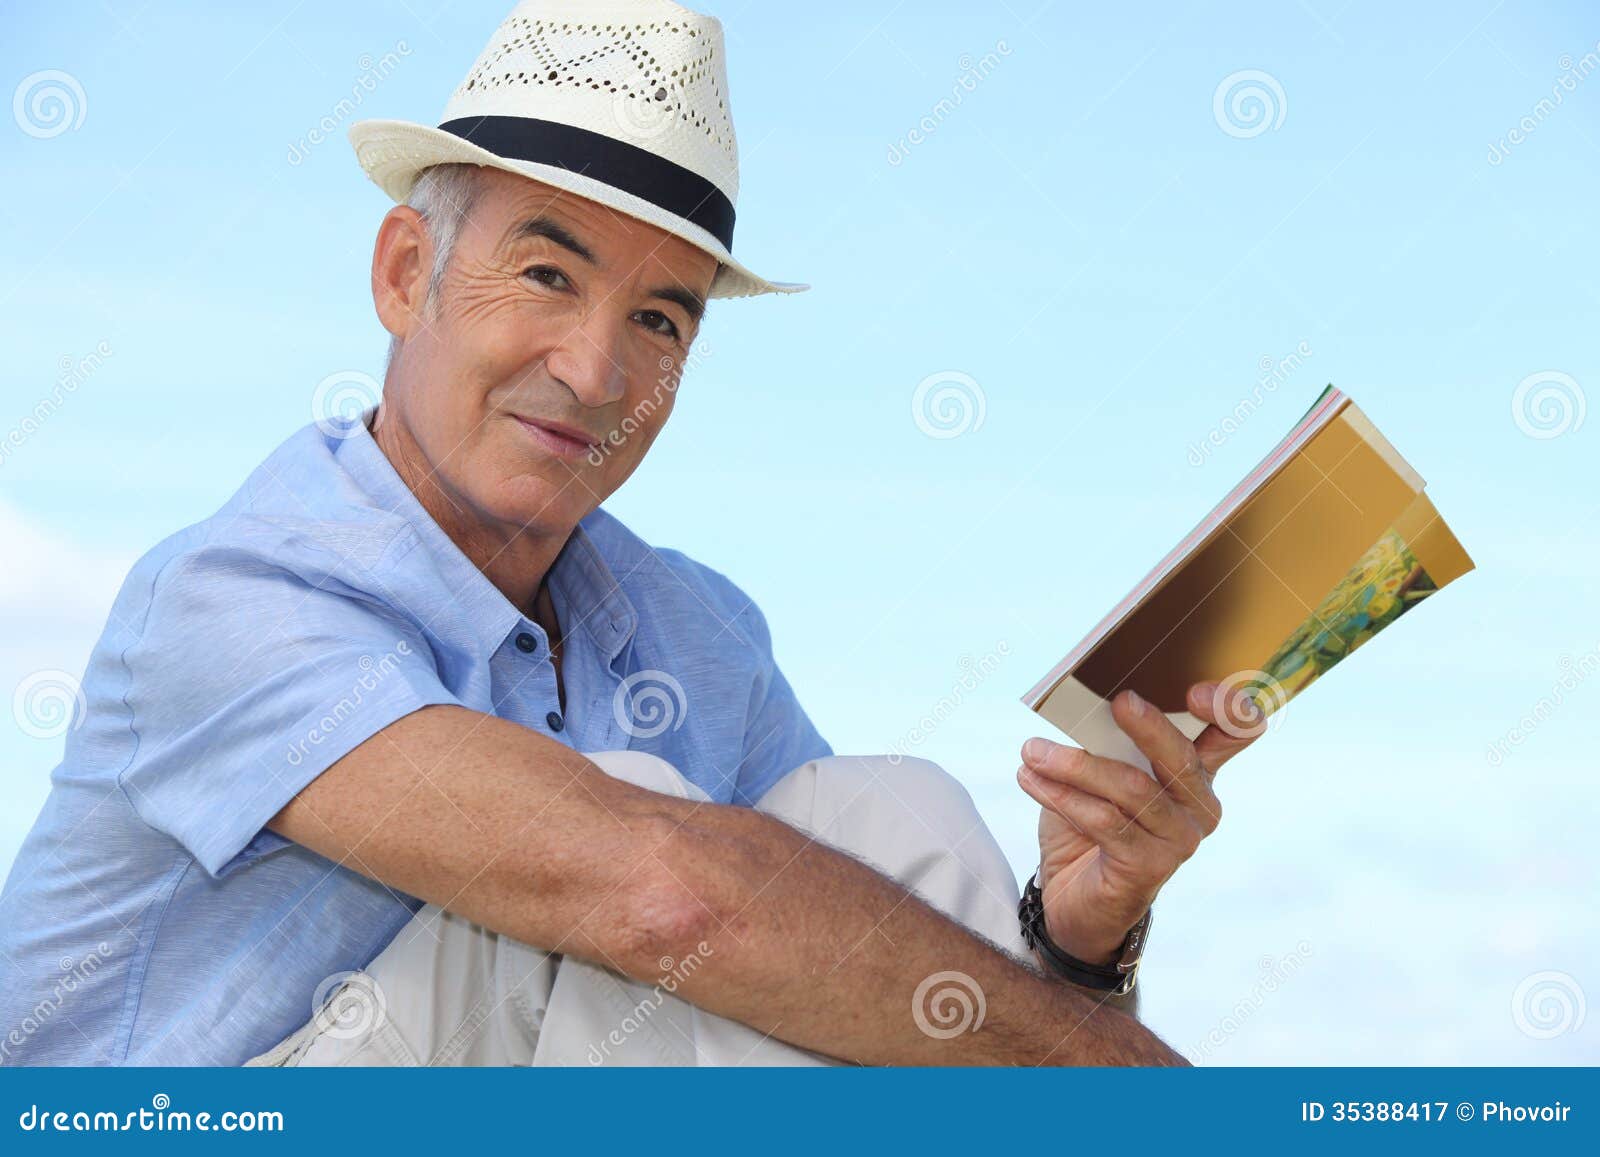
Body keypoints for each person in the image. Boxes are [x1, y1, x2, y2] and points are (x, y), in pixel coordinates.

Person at [0, 0, 1247, 1067]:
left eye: (659, 319)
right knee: (650, 850)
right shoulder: (227, 601)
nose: (597, 371)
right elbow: (658, 895)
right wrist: (1127, 1077)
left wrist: (1075, 945)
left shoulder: (697, 632)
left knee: (892, 818)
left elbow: (857, 966)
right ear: (401, 274)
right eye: (547, 275)